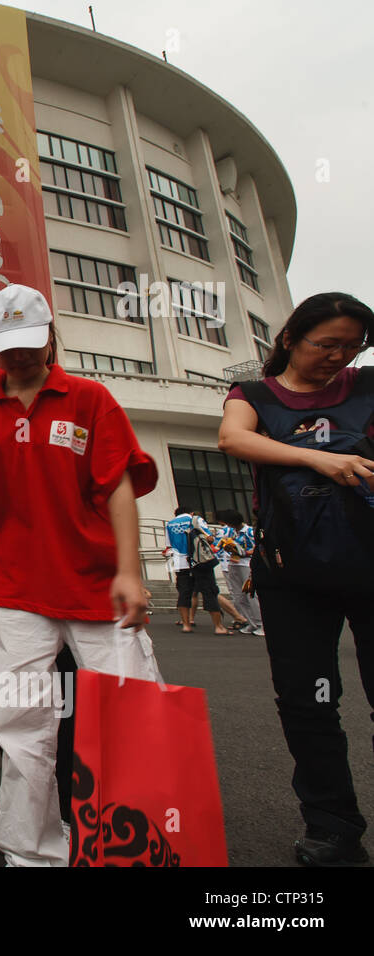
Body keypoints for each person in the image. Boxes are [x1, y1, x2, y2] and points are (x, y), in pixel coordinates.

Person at [0, 283, 162, 866]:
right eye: (5, 348)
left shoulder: (90, 399)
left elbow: (119, 486)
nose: (17, 359)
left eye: (28, 345)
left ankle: (137, 847)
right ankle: (32, 853)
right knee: (24, 729)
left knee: (129, 712)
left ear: (49, 337)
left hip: (96, 586)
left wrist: (129, 571)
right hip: (17, 593)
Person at [218, 290, 374, 866]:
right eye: (326, 344)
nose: (340, 357)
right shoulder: (255, 396)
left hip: (369, 560)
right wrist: (319, 458)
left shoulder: (367, 387)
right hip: (292, 574)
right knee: (311, 703)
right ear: (289, 338)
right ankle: (333, 827)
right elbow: (232, 439)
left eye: (352, 346)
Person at [167, 506, 228, 633]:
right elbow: (209, 537)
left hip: (181, 563)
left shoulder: (169, 524)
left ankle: (186, 625)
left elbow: (169, 545)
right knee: (209, 591)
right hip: (199, 561)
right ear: (191, 512)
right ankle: (218, 626)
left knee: (184, 593)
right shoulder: (195, 519)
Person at [213, 509, 263, 636]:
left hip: (246, 564)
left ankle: (261, 624)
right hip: (234, 563)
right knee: (238, 596)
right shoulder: (232, 533)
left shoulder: (249, 531)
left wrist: (245, 553)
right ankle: (250, 623)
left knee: (251, 595)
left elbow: (258, 547)